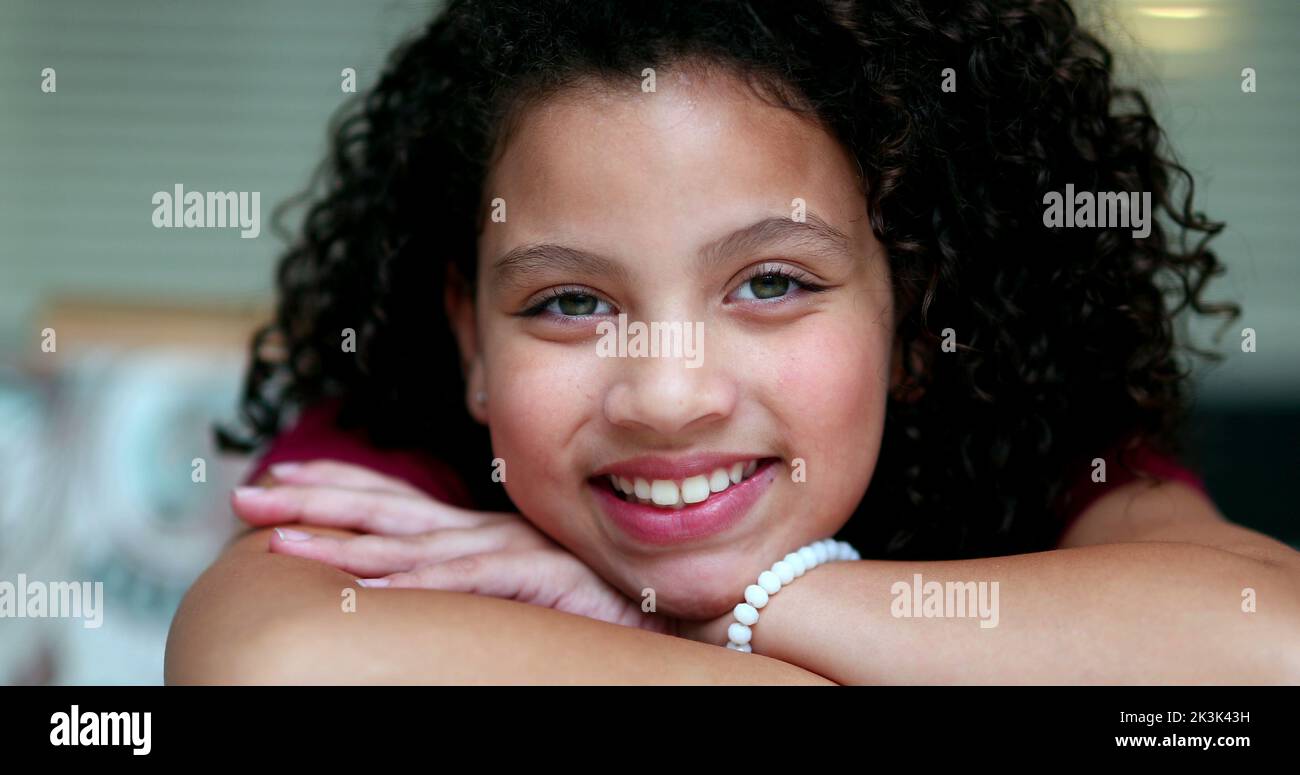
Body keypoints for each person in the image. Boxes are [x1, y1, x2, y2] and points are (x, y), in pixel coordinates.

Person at [166, 0, 1300, 684]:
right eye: (568, 302)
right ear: (469, 341)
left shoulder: (1039, 450)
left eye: (769, 281)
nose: (666, 395)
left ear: (913, 314)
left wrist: (744, 606)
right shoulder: (397, 467)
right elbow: (263, 664)